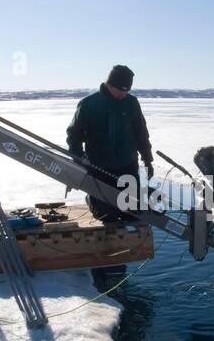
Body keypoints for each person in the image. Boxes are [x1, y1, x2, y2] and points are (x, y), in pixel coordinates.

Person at [65, 64, 154, 222]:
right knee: (106, 215)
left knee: (132, 213)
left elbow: (141, 133)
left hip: (127, 165)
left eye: (126, 91)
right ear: (110, 84)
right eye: (120, 90)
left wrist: (147, 158)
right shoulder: (88, 104)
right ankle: (93, 202)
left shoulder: (131, 103)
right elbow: (74, 135)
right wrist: (78, 158)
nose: (123, 94)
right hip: (99, 166)